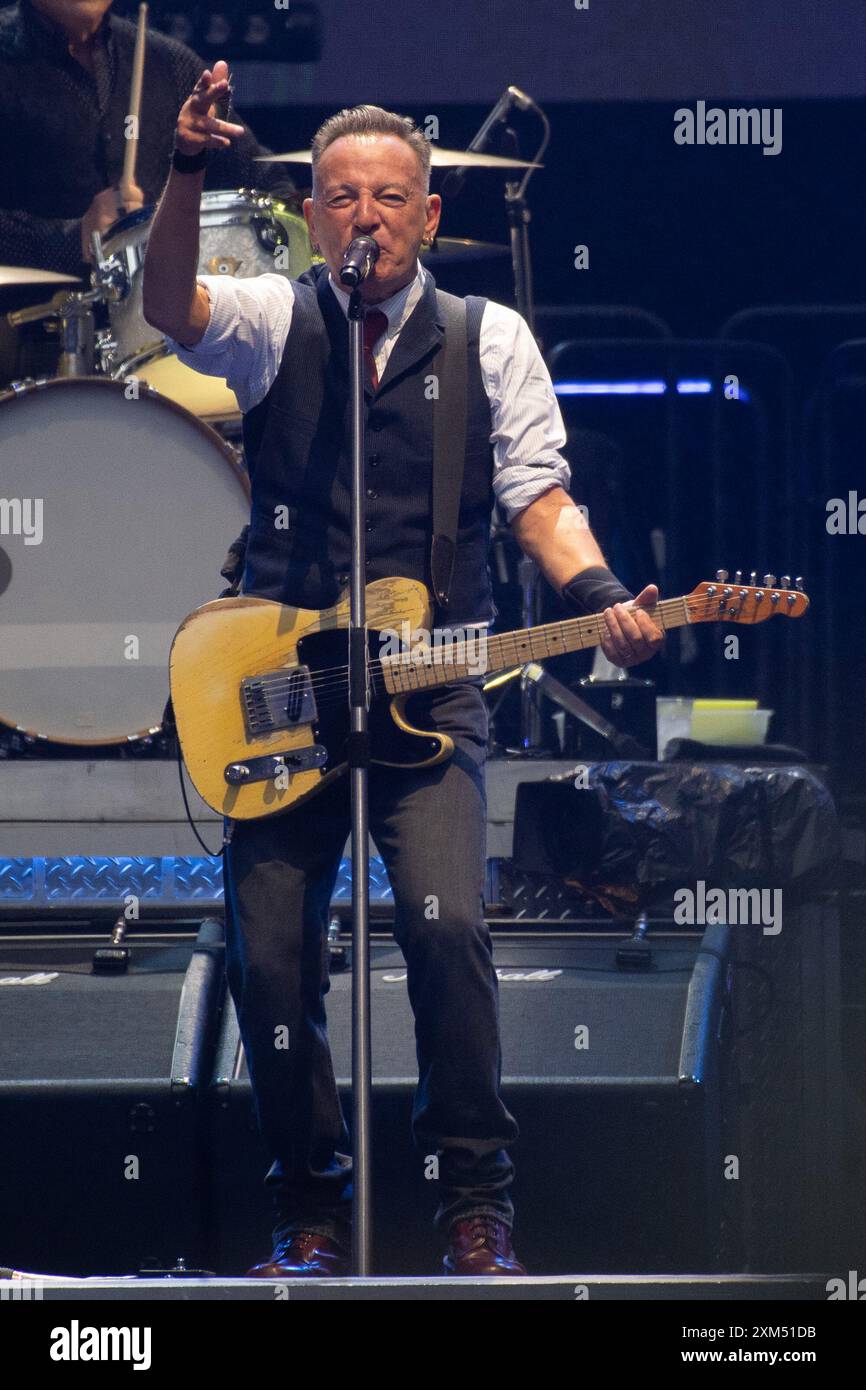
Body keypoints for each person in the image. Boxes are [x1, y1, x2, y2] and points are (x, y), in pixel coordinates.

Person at [143, 72, 665, 1278]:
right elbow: (171, 307)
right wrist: (180, 172)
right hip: (283, 692)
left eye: (387, 197)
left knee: (447, 935)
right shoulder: (278, 319)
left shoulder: (491, 339)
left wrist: (597, 604)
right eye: (339, 198)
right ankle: (309, 1211)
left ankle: (474, 1204)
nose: (363, 216)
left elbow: (541, 498)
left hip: (432, 688)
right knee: (269, 954)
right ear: (312, 216)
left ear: (428, 218)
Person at [0, 0, 294, 276]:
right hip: (28, 321)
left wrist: (191, 155)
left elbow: (268, 188)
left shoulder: (169, 62)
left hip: (155, 323)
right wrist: (71, 240)